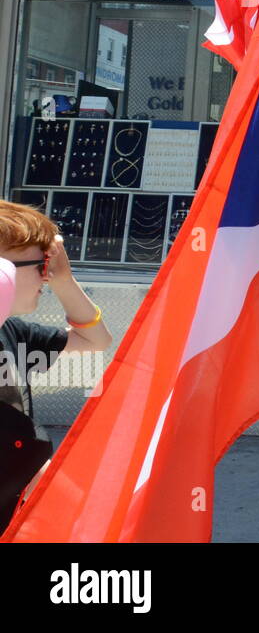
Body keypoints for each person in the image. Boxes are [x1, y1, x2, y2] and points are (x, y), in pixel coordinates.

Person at [0, 200, 112, 530]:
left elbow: (95, 340)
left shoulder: (11, 332)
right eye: (43, 266)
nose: (46, 278)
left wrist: (65, 281)